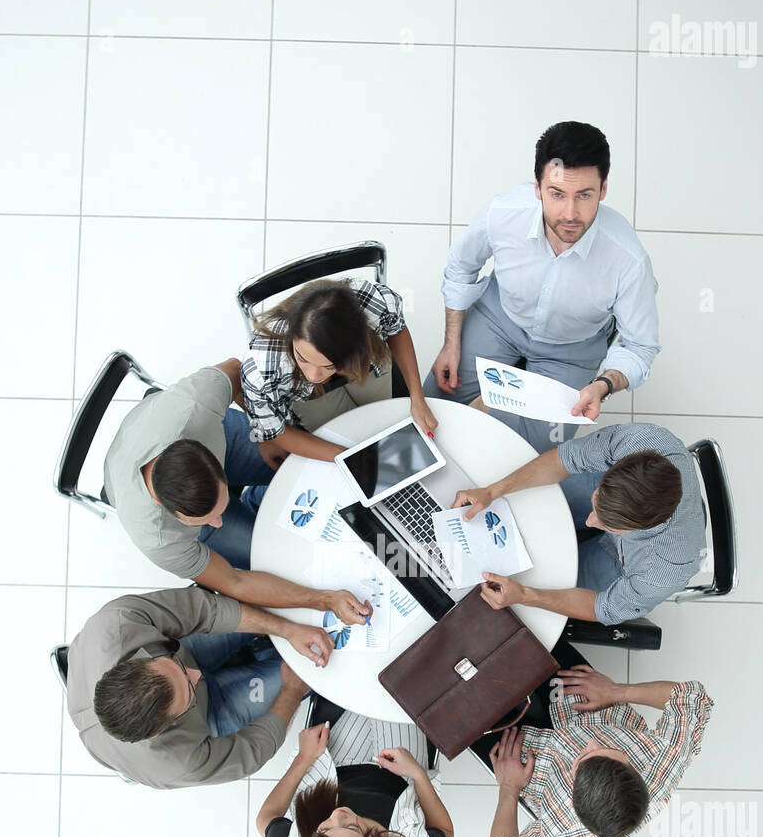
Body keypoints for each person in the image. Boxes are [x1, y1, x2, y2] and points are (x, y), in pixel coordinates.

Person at [424, 120, 660, 452]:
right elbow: (462, 268)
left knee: (529, 453)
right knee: (435, 411)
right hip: (499, 319)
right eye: (557, 194)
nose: (570, 213)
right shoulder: (503, 212)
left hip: (571, 351)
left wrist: (603, 385)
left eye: (585, 196)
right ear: (537, 187)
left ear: (604, 189)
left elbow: (641, 347)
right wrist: (451, 343)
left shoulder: (629, 260)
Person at [102, 358, 372, 631]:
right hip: (130, 468)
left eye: (221, 507)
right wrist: (325, 600)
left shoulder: (198, 406)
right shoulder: (159, 538)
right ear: (165, 507)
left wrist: (264, 433)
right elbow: (235, 582)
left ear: (212, 457)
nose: (219, 522)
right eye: (208, 519)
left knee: (303, 461)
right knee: (275, 560)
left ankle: (255, 495)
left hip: (191, 429)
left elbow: (236, 368)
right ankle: (258, 503)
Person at [66, 584, 354, 788]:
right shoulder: (178, 762)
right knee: (311, 671)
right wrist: (291, 691)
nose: (195, 674)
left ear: (134, 662)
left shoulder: (116, 623)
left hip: (183, 645)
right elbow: (251, 750)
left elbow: (203, 609)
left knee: (262, 600)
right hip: (212, 715)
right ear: (163, 729)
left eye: (173, 665)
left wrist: (286, 629)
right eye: (189, 689)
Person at [454, 422, 706, 627]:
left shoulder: (665, 569)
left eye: (606, 523)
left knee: (547, 583)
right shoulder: (641, 441)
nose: (589, 521)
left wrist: (525, 596)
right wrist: (492, 491)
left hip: (625, 561)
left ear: (637, 530)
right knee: (524, 502)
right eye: (596, 505)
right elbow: (565, 459)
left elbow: (603, 607)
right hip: (620, 494)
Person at [487, 663, 713, 837]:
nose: (593, 743)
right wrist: (617, 691)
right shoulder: (663, 757)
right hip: (582, 701)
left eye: (584, 757)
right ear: (631, 766)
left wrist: (509, 788)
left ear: (574, 803)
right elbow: (694, 698)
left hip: (520, 755)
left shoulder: (564, 836)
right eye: (608, 750)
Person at [257, 706, 453, 837]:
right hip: (401, 772)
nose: (337, 815)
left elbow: (265, 818)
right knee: (398, 689)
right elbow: (445, 830)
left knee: (349, 685)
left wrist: (303, 758)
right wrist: (417, 774)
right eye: (352, 827)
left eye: (324, 829)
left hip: (338, 761)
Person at [240, 277, 438, 463]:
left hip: (364, 367)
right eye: (302, 357)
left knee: (389, 421)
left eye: (329, 365)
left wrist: (417, 398)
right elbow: (274, 430)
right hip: (306, 397)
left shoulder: (375, 301)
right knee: (340, 433)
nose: (313, 375)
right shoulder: (260, 370)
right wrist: (350, 458)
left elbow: (397, 329)